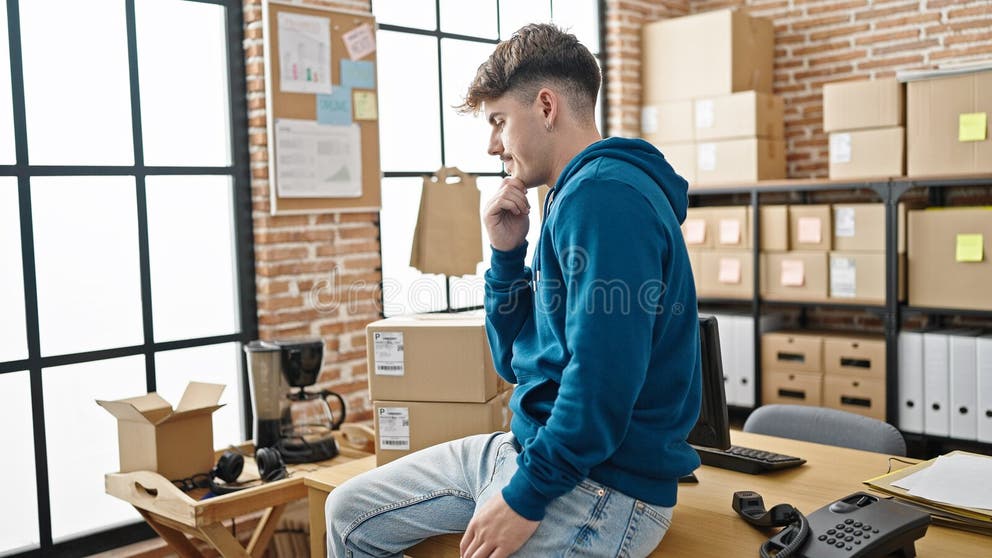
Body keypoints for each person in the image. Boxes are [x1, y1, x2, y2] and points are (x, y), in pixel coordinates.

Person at [325, 23, 701, 558]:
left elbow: (602, 383)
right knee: (348, 515)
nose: (492, 144)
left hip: (602, 483)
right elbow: (512, 359)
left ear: (546, 106)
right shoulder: (565, 198)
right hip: (529, 449)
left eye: (500, 121)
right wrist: (506, 257)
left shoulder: (605, 199)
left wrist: (524, 497)